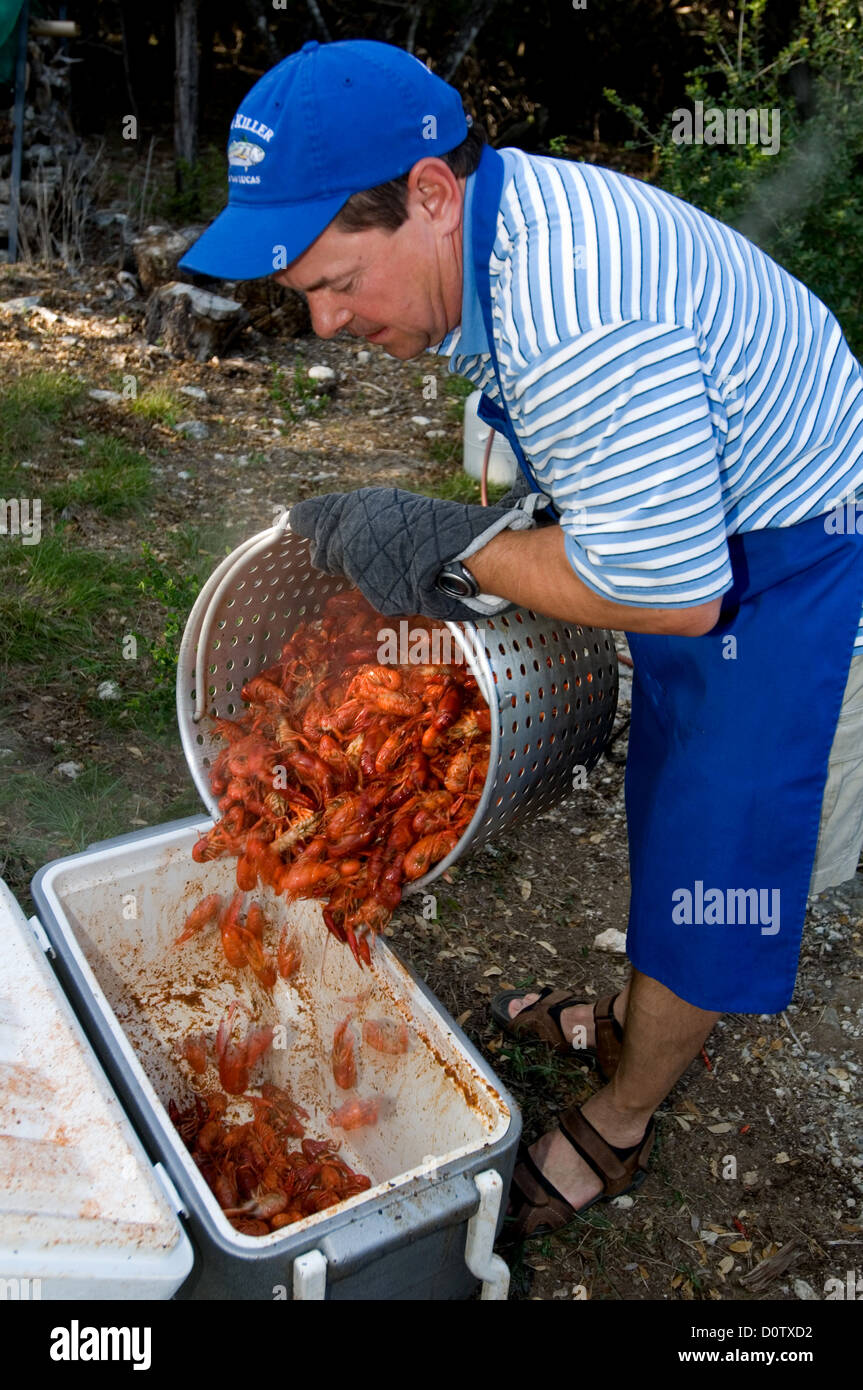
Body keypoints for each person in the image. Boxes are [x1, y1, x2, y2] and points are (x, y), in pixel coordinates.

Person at [180, 39, 863, 1238]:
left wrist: (453, 549)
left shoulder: (575, 309)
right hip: (708, 525)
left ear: (431, 196)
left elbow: (672, 592)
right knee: (663, 793)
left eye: (338, 280)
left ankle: (623, 1112)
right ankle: (624, 1010)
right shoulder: (497, 227)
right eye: (302, 295)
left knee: (717, 863)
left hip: (797, 558)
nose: (329, 322)